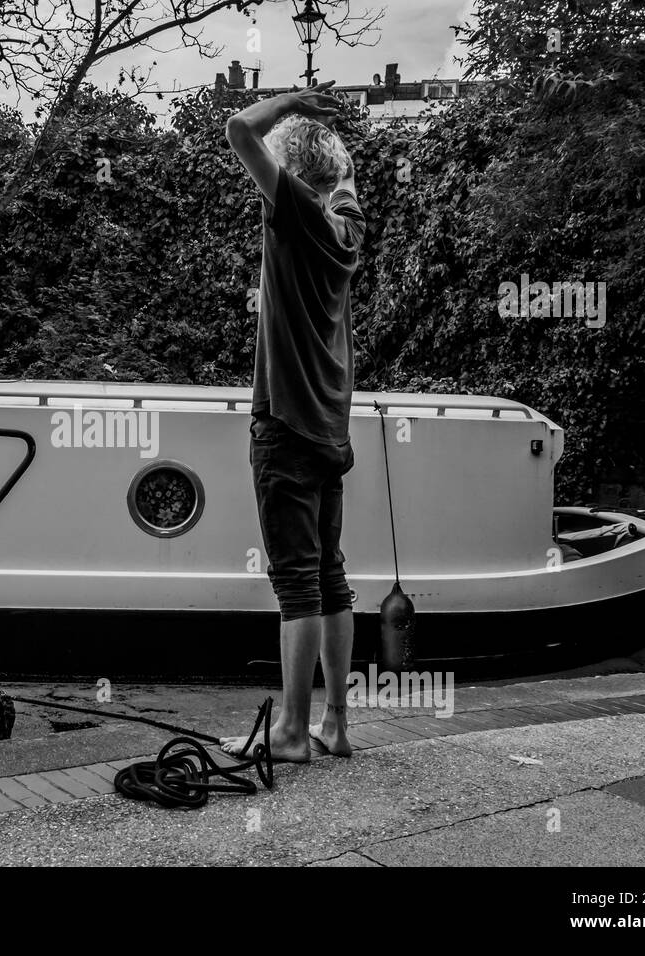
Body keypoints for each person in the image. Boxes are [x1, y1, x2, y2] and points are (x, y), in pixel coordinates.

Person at [219, 83, 366, 763]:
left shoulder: (297, 213)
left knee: (297, 583)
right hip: (332, 430)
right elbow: (344, 187)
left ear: (293, 173)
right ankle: (334, 723)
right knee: (331, 575)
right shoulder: (345, 229)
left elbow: (238, 131)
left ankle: (291, 732)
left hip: (283, 423)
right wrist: (331, 156)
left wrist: (289, 101)